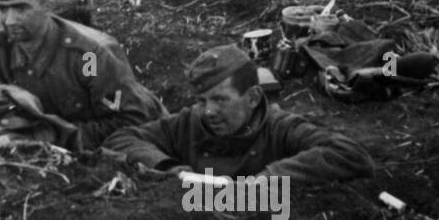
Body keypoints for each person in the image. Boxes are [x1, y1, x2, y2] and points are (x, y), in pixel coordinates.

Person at [0, 0, 163, 151]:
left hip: (146, 138)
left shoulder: (89, 57)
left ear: (48, 5)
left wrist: (55, 136)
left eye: (21, 8)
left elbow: (132, 122)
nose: (10, 20)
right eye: (2, 9)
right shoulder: (0, 47)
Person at [103, 44, 373, 181]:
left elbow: (351, 155)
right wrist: (174, 171)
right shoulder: (188, 122)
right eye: (202, 100)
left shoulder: (280, 127)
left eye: (221, 100)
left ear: (253, 97)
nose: (209, 111)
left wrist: (269, 177)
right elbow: (121, 139)